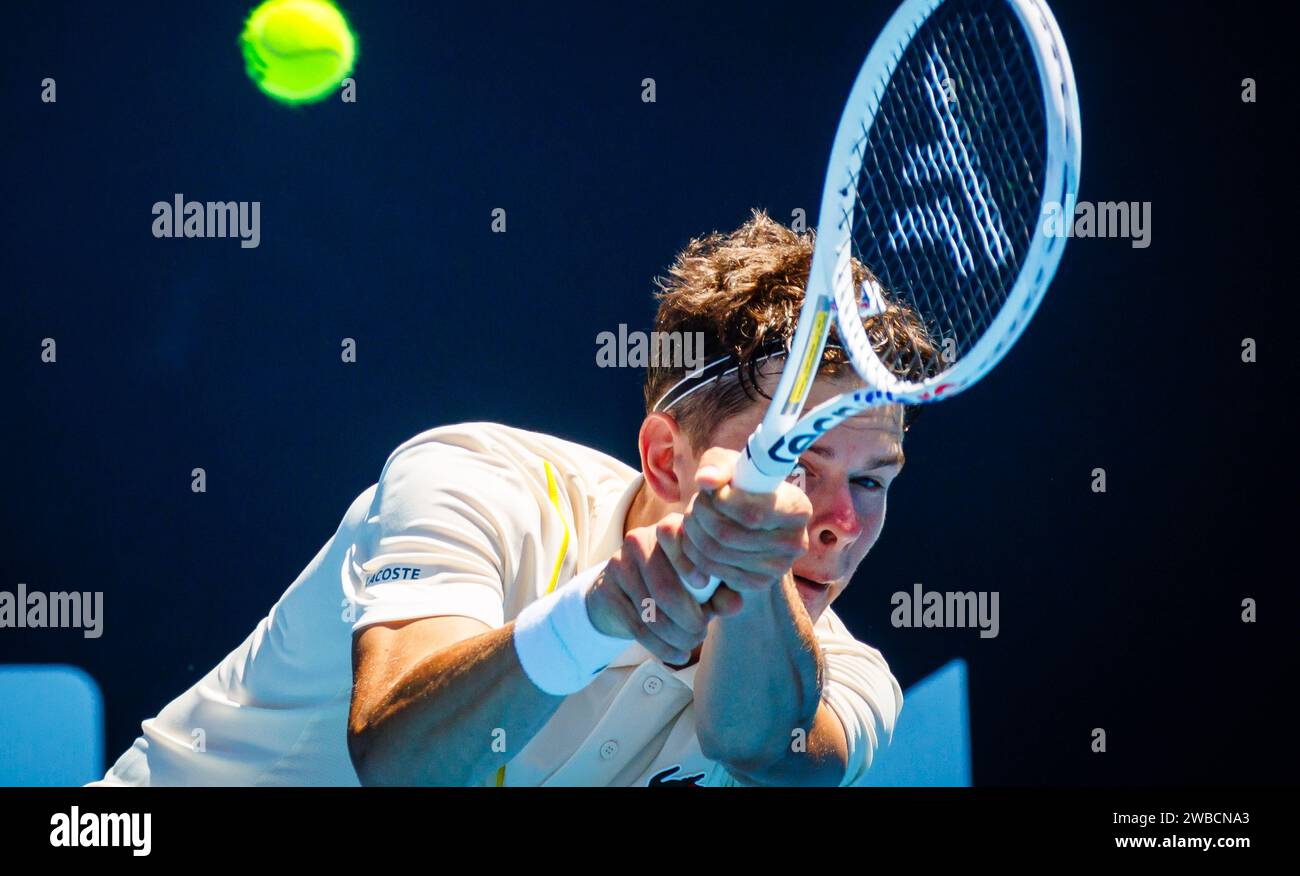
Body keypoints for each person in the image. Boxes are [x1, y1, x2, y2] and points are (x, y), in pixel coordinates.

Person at [93, 211, 937, 787]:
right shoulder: (474, 477)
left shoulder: (849, 680)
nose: (842, 522)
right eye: (795, 464)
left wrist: (749, 580)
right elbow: (400, 758)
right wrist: (594, 615)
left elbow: (759, 748)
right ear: (665, 460)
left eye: (871, 480)